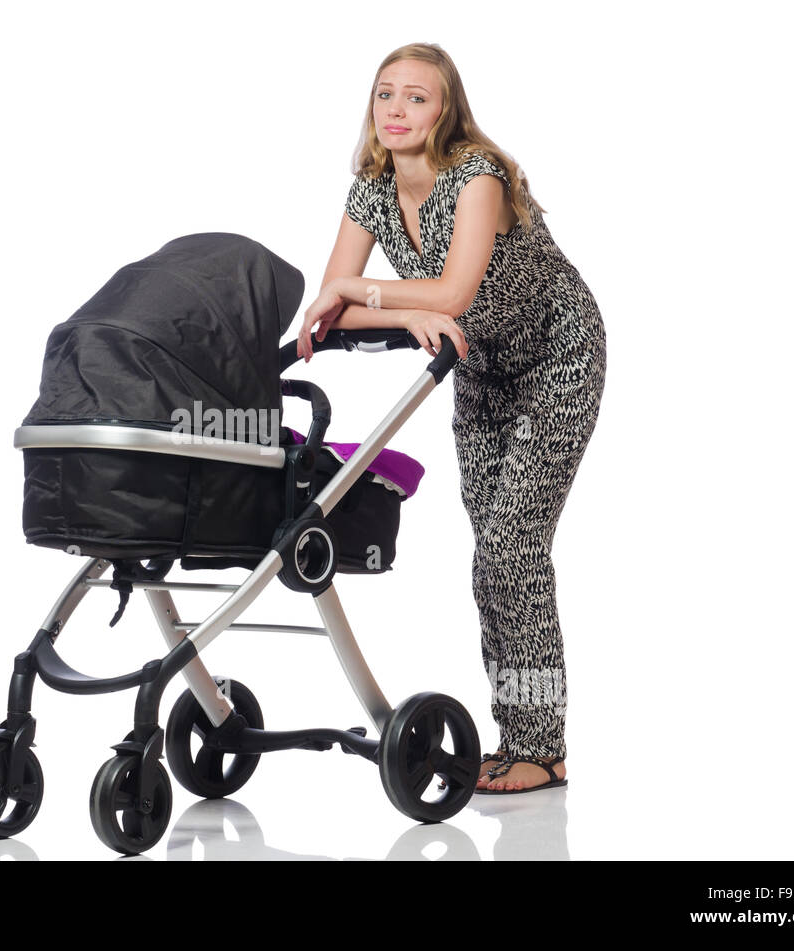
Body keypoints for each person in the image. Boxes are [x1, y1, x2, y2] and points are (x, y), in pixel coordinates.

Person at [297, 42, 606, 794]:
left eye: (416, 98)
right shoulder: (370, 187)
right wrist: (398, 310)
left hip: (557, 354)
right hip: (479, 368)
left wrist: (371, 294)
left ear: (447, 112)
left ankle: (541, 744)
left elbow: (452, 292)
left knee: (511, 550)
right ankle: (524, 738)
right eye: (385, 95)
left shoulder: (478, 177)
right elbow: (333, 303)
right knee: (491, 558)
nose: (396, 111)